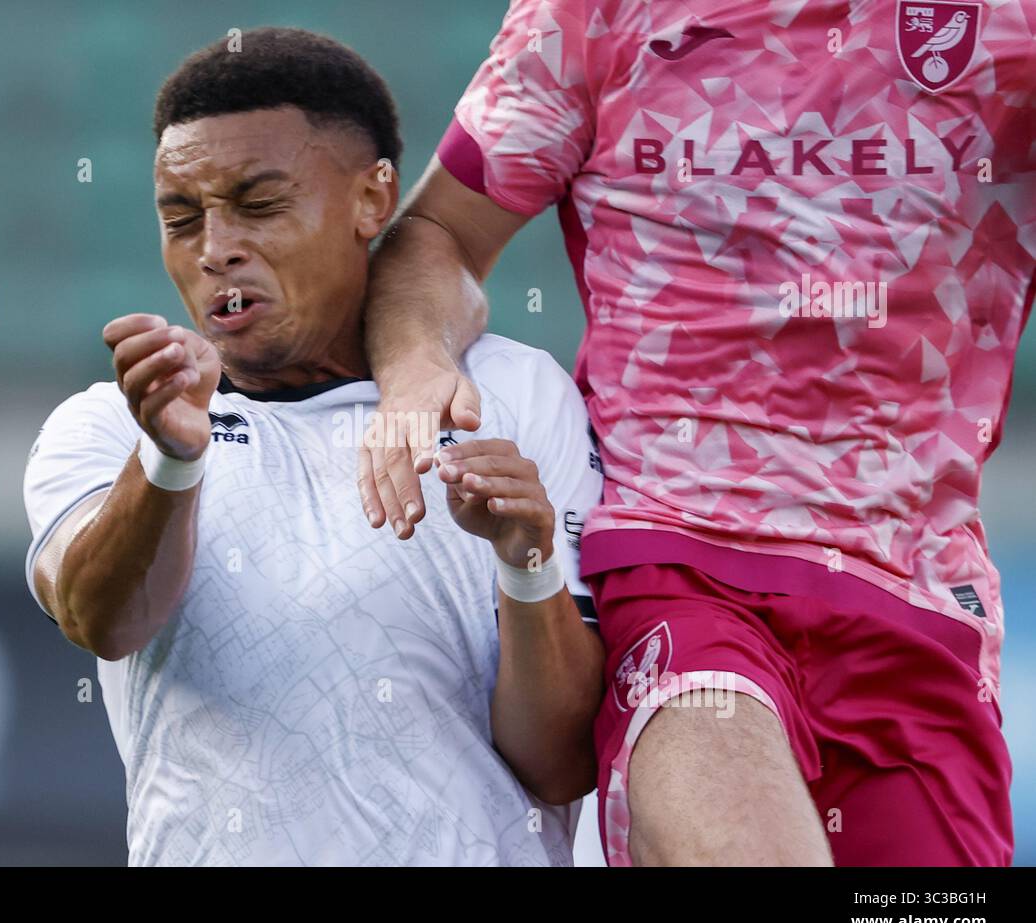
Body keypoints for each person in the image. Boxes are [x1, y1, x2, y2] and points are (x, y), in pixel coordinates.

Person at [359, 0, 1035, 865]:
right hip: (678, 561)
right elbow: (440, 231)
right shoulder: (594, 15)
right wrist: (418, 362)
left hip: (918, 597)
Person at [22, 27, 605, 866]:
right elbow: (102, 620)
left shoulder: (514, 395)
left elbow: (561, 766)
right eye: (181, 218)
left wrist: (527, 564)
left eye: (258, 204)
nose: (215, 246)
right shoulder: (112, 427)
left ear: (374, 200)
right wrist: (171, 464)